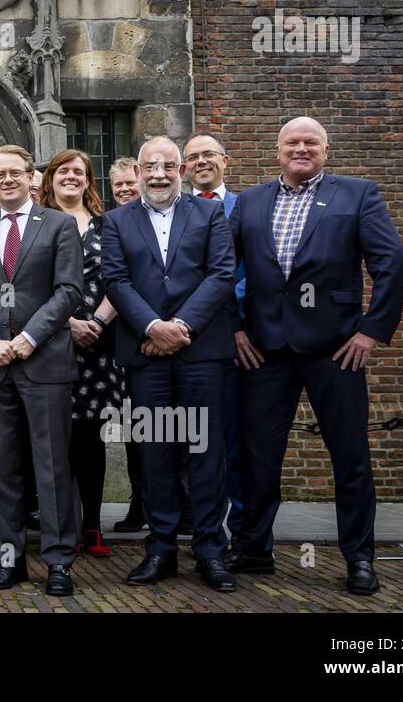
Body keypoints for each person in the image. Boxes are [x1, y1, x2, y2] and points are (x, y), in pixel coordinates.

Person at [226, 117, 403, 596]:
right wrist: (235, 328)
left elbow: (394, 264)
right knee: (258, 457)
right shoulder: (249, 202)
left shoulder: (358, 195)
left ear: (326, 150)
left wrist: (372, 331)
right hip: (264, 352)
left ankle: (360, 558)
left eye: (311, 142)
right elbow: (218, 268)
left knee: (350, 458)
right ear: (278, 149)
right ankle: (253, 548)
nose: (301, 148)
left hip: (336, 352)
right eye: (292, 142)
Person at [101, 136, 237, 591]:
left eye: (167, 166)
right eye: (149, 166)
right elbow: (116, 280)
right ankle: (160, 549)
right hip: (146, 354)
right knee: (155, 451)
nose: (158, 174)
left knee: (203, 450)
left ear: (180, 170)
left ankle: (210, 551)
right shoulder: (117, 221)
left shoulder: (210, 213)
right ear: (137, 172)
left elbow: (221, 273)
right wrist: (152, 328)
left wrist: (179, 327)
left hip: (200, 351)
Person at [0, 145, 83, 596]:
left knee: (51, 468)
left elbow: (69, 290)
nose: (6, 180)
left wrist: (27, 338)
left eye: (15, 173)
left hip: (45, 363)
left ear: (32, 178)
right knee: (2, 469)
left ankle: (57, 563)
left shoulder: (59, 225)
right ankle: (9, 558)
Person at [40, 149, 126, 558]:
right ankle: (54, 523)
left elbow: (121, 279)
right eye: (64, 171)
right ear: (50, 178)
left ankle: (92, 525)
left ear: (89, 181)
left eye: (80, 172)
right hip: (45, 343)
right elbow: (28, 284)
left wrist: (97, 323)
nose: (71, 177)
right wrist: (64, 324)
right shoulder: (35, 223)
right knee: (50, 439)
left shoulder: (107, 227)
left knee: (91, 441)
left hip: (98, 346)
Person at [184, 133, 247, 542]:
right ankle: (203, 531)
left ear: (225, 160)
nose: (201, 161)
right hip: (186, 341)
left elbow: (258, 268)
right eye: (192, 157)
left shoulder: (250, 207)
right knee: (192, 438)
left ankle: (242, 534)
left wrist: (238, 323)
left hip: (241, 340)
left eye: (209, 154)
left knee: (238, 442)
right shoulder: (175, 209)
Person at [106, 156, 147, 533]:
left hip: (157, 337)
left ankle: (182, 505)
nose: (124, 190)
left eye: (129, 184)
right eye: (117, 185)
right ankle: (141, 502)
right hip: (119, 344)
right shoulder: (110, 225)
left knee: (177, 426)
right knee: (137, 428)